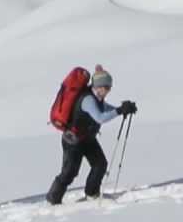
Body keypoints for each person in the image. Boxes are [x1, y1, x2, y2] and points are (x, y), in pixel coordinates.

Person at [46, 65, 136, 204]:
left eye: (109, 87)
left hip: (87, 138)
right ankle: (53, 199)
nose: (109, 90)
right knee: (70, 172)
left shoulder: (97, 97)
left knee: (100, 164)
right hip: (73, 140)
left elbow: (104, 108)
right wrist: (119, 111)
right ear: (99, 86)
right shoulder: (88, 100)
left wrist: (123, 109)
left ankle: (92, 193)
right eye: (107, 87)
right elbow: (100, 117)